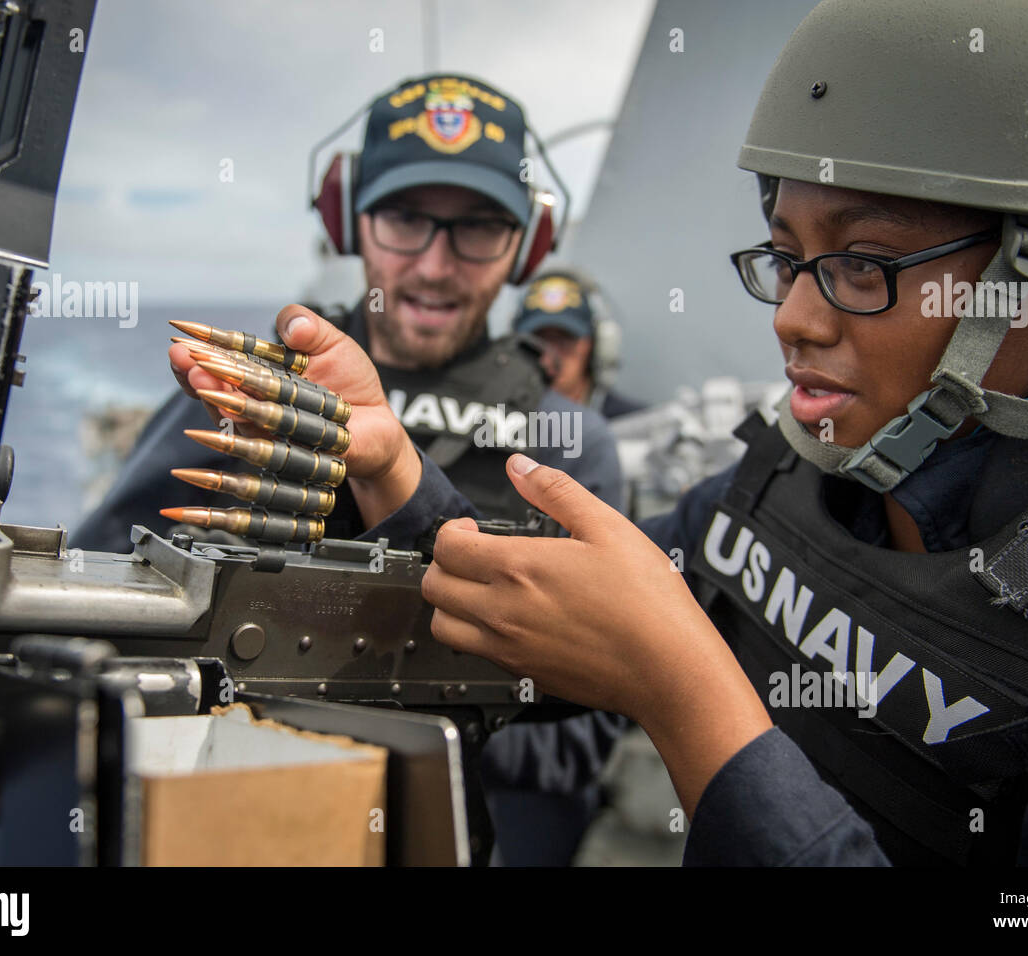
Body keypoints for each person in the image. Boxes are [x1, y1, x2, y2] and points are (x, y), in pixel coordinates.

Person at [224, 0, 1028, 865]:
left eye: (863, 264)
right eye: (788, 259)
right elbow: (551, 617)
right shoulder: (782, 486)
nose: (793, 319)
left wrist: (689, 701)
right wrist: (392, 467)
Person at [95, 74, 628, 866]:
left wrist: (393, 713)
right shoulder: (258, 392)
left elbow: (590, 727)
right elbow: (108, 597)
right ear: (351, 221)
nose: (438, 266)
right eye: (406, 219)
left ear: (531, 246)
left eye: (481, 226)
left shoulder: (568, 445)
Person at [511, 269, 646, 419]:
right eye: (538, 341)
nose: (550, 355)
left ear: (595, 345)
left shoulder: (634, 424)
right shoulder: (499, 420)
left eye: (564, 340)